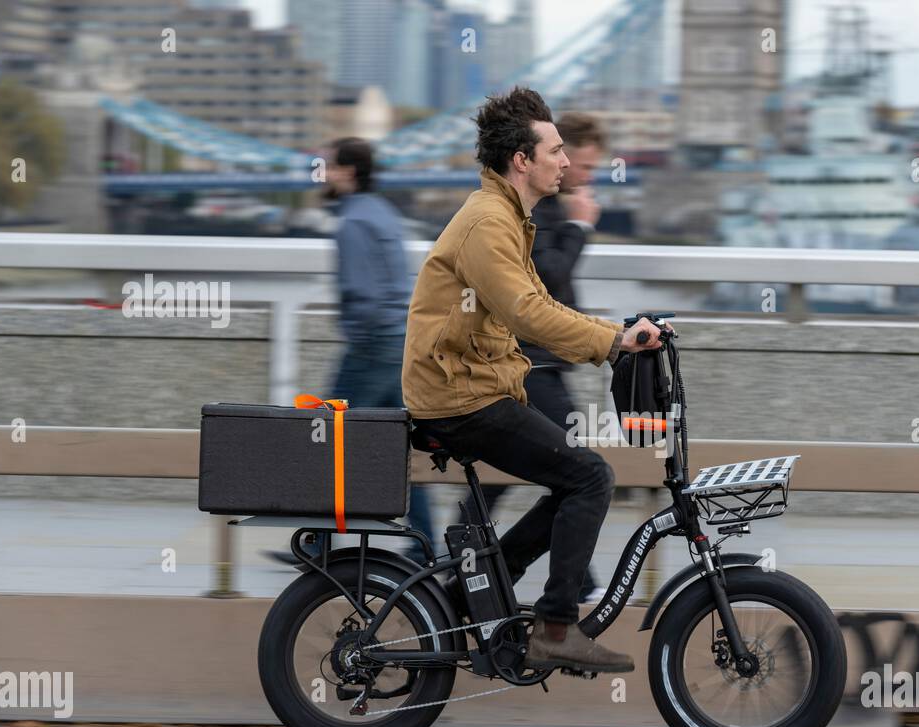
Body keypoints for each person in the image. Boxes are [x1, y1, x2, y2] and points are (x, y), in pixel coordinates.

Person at [402, 87, 666, 673]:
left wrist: (618, 329)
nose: (567, 162)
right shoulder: (489, 223)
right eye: (556, 150)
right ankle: (555, 625)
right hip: (459, 398)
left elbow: (540, 301)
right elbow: (528, 313)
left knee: (571, 477)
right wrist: (613, 343)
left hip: (476, 386)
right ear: (522, 160)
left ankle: (484, 587)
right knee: (590, 477)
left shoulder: (508, 216)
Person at [267, 137, 435, 566]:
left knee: (326, 435)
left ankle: (318, 544)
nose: (320, 172)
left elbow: (363, 293)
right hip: (398, 342)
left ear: (348, 172)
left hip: (373, 346)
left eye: (327, 165)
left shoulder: (354, 222)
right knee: (395, 449)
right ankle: (423, 545)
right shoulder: (383, 212)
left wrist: (358, 339)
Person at [464, 111, 608, 604]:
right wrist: (579, 228)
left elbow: (546, 300)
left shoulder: (524, 210)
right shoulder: (523, 214)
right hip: (527, 367)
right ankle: (562, 596)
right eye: (566, 157)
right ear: (524, 160)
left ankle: (473, 571)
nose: (574, 169)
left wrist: (611, 336)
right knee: (581, 472)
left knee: (536, 473)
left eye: (580, 162)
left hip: (533, 363)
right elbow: (544, 286)